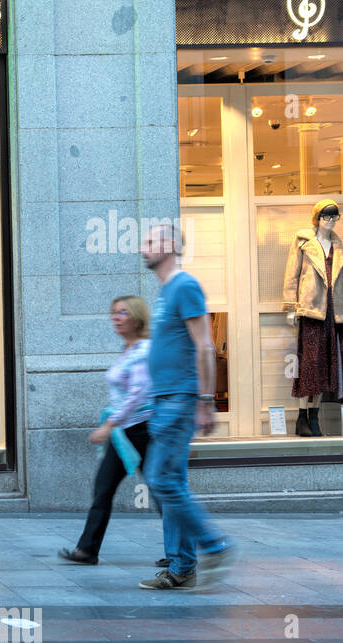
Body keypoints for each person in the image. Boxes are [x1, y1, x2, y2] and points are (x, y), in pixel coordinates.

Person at [138, 224, 235, 590]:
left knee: (160, 478)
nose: (142, 248)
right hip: (165, 401)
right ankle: (181, 567)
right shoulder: (166, 293)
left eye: (149, 242)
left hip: (180, 401)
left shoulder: (185, 286)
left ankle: (214, 544)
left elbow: (205, 347)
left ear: (169, 246)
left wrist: (205, 401)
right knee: (169, 482)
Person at [58, 296, 155, 565]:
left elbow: (137, 394)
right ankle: (87, 550)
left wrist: (109, 425)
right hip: (124, 432)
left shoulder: (143, 350)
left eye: (122, 312)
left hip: (142, 430)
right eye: (113, 312)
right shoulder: (128, 349)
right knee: (103, 488)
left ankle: (181, 554)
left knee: (161, 490)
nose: (116, 317)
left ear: (136, 317)